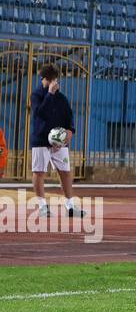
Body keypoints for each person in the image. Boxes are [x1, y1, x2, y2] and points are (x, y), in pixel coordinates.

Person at [30, 65, 83, 218]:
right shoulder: (36, 96)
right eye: (49, 80)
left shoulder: (62, 98)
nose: (53, 83)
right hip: (41, 140)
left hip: (59, 143)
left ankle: (70, 206)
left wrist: (70, 131)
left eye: (54, 80)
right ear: (43, 80)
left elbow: (69, 117)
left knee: (65, 172)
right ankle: (42, 207)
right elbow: (40, 113)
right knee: (39, 172)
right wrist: (49, 95)